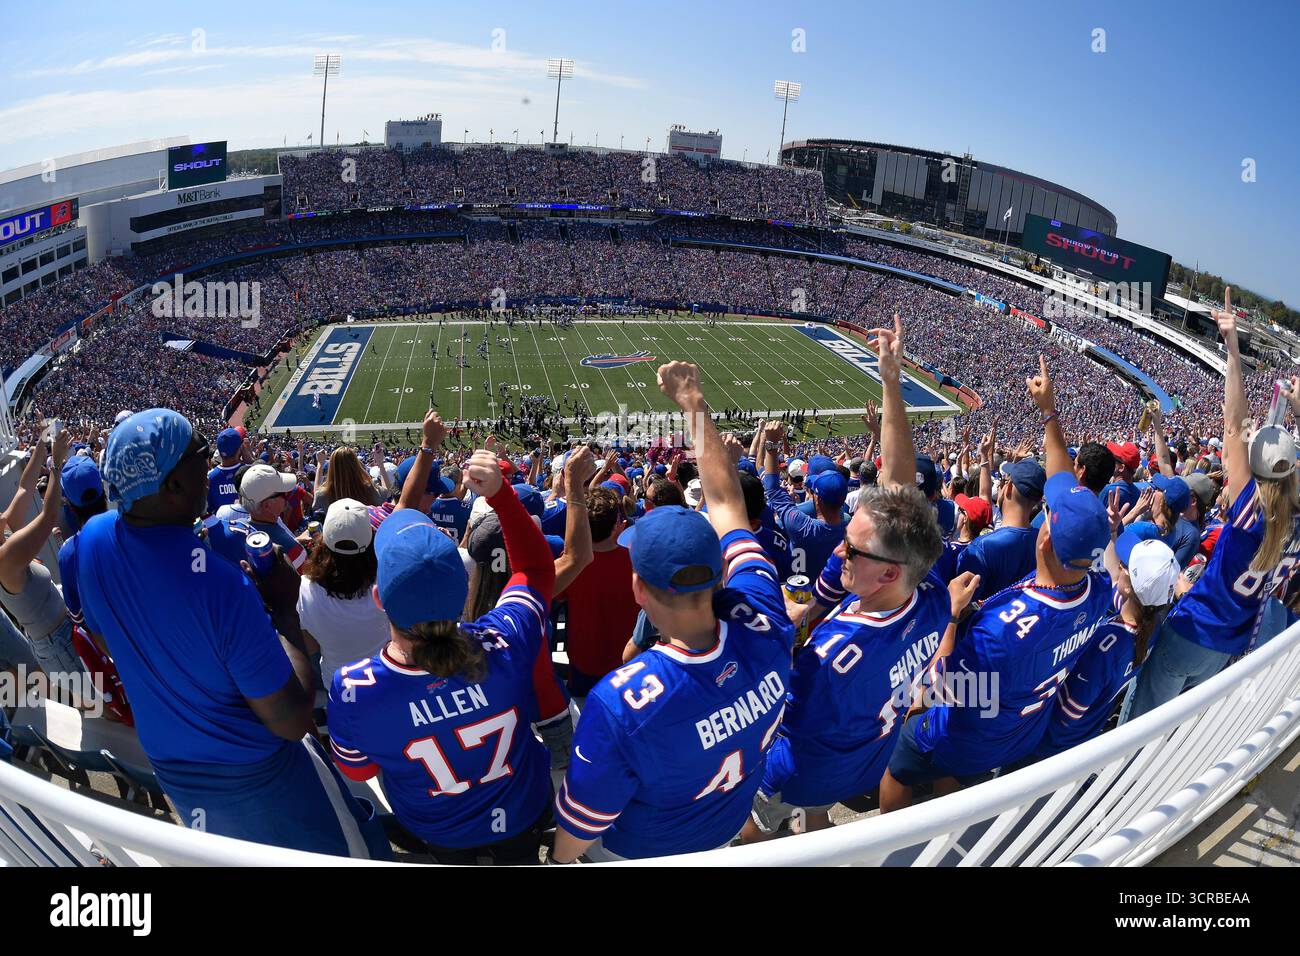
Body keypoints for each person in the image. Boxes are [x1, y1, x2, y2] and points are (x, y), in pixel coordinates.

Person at [76, 409, 387, 856]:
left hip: (176, 771)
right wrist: (281, 608)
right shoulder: (221, 586)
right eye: (199, 457)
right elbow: (293, 720)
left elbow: (107, 638)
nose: (208, 468)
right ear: (173, 484)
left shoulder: (92, 539)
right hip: (262, 779)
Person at [550, 360, 795, 863]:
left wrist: (556, 860)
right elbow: (728, 503)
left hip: (647, 851)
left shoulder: (620, 702)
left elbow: (578, 829)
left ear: (638, 587)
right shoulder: (766, 615)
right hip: (727, 824)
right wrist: (693, 402)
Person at [740, 313, 948, 841]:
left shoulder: (832, 654)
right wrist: (892, 381)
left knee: (746, 824)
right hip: (864, 758)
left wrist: (783, 626)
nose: (839, 550)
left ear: (886, 572)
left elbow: (771, 706)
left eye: (852, 549)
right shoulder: (930, 597)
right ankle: (816, 825)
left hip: (802, 767)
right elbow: (899, 490)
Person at [881, 356, 1114, 810]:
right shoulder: (1098, 587)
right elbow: (1063, 471)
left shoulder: (1003, 629)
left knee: (899, 757)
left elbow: (940, 690)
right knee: (955, 766)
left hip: (978, 726)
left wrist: (949, 616)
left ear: (1045, 535)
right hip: (1019, 725)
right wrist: (1048, 410)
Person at [326, 411, 559, 865]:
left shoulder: (355, 690)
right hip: (522, 812)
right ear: (464, 591)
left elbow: (360, 768)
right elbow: (535, 571)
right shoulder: (505, 640)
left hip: (439, 830)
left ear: (379, 598)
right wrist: (502, 497)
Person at [1126, 292, 1300, 721]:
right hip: (1226, 648)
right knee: (1172, 728)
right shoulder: (1294, 523)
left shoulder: (1246, 515)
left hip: (1193, 630)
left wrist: (1234, 352)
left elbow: (1232, 421)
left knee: (1137, 726)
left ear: (1255, 467)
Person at [1029, 530, 1180, 761]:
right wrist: (1112, 530)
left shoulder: (1107, 645)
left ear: (1131, 587)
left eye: (1123, 565)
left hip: (1052, 744)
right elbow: (1118, 589)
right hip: (1085, 736)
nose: (1118, 567)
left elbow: (1068, 712)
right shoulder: (1152, 623)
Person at [297, 499, 390, 689]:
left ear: (323, 540)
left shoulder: (304, 589)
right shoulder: (388, 581)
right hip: (386, 681)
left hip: (338, 686)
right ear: (371, 538)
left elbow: (311, 646)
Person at [207, 463, 307, 572]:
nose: (287, 495)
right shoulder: (293, 550)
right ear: (267, 505)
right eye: (283, 493)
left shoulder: (233, 529)